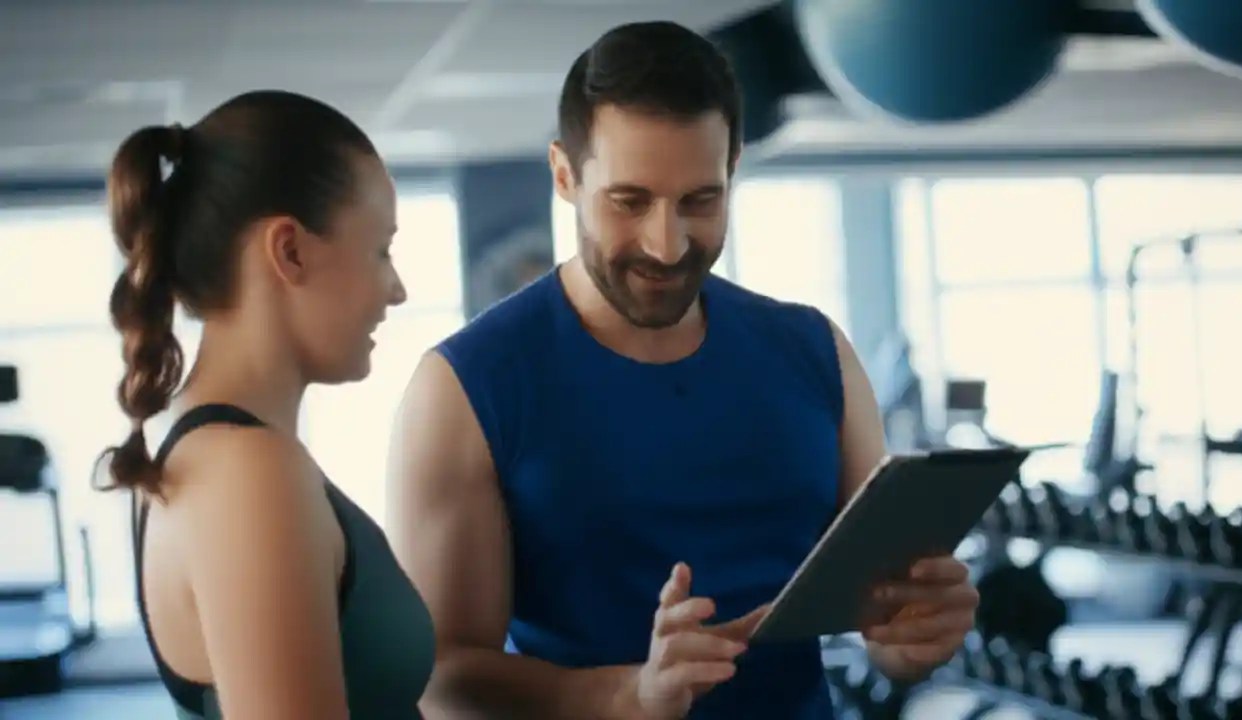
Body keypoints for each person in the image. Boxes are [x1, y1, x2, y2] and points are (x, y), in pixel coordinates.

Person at [387, 21, 978, 719]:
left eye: (700, 200)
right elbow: (440, 678)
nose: (666, 245)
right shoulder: (464, 386)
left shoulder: (817, 352)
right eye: (629, 202)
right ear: (565, 176)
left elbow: (884, 614)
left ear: (732, 171)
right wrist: (628, 696)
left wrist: (914, 637)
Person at [95, 90, 434, 720]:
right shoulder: (246, 473)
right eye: (381, 250)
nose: (397, 289)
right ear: (290, 251)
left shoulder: (217, 455)